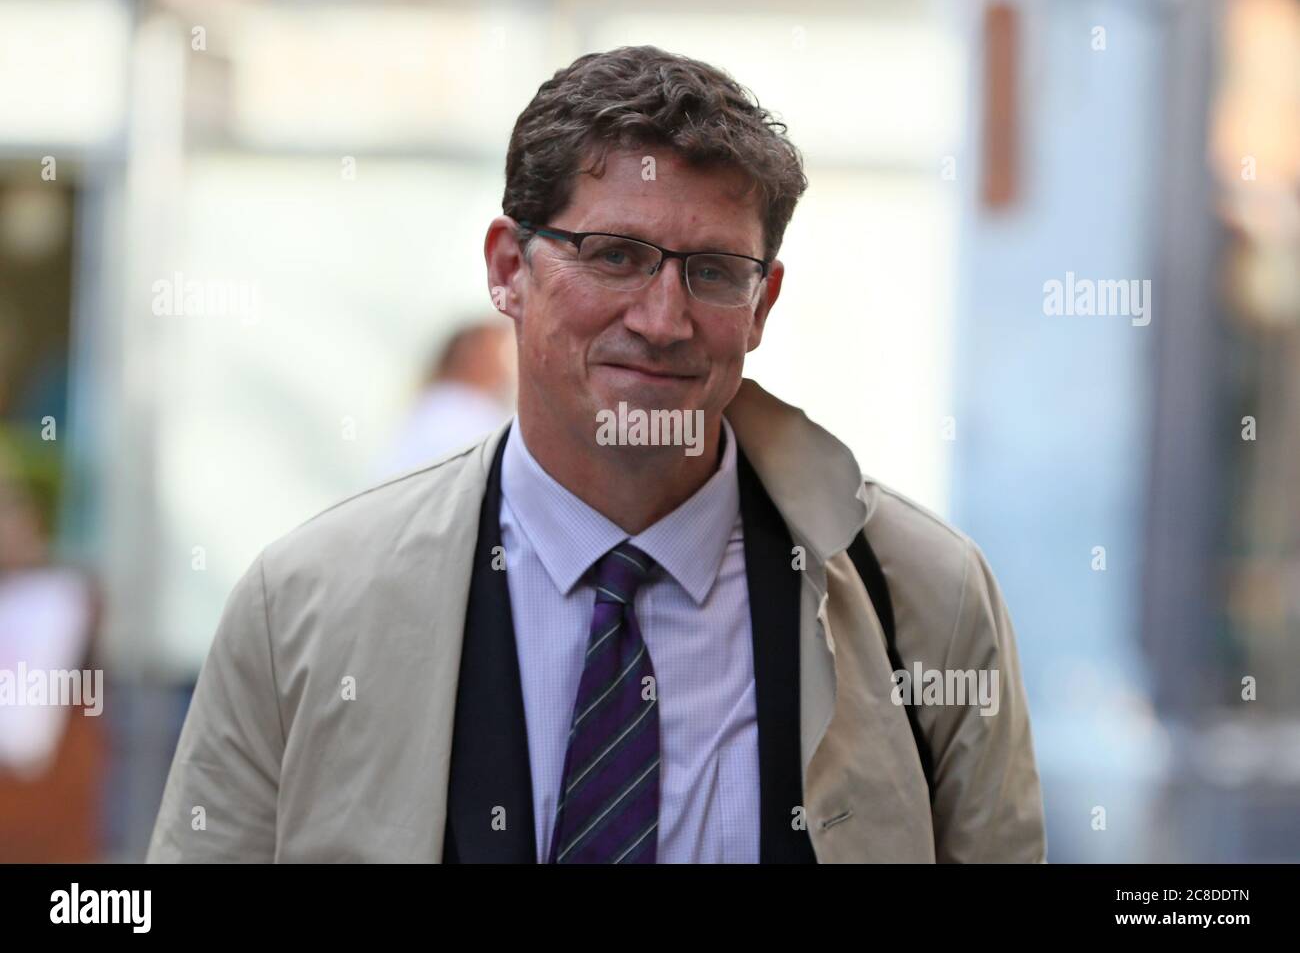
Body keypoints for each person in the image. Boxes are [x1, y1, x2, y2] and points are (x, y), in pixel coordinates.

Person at [148, 45, 1046, 863]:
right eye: (615, 256)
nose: (663, 319)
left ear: (762, 304)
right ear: (508, 268)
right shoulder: (304, 606)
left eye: (713, 271)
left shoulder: (923, 597)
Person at [374, 320, 516, 481]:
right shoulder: (459, 416)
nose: (509, 365)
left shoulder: (431, 408)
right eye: (502, 348)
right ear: (473, 357)